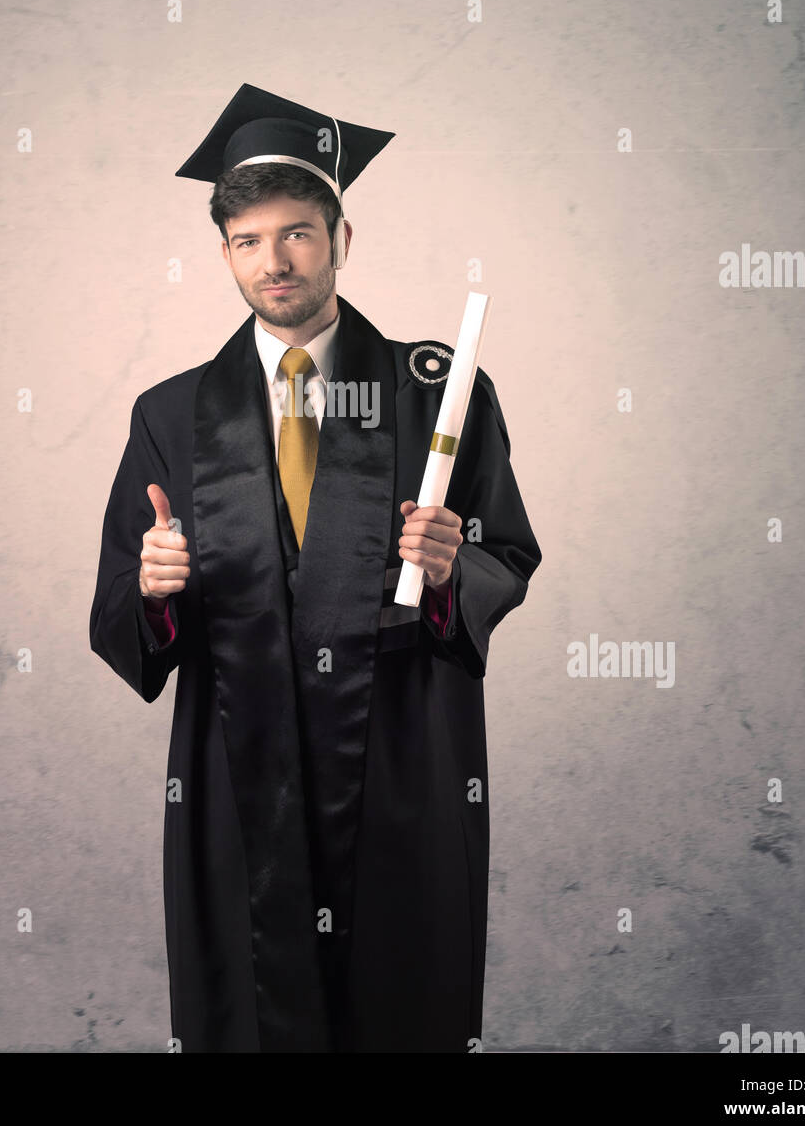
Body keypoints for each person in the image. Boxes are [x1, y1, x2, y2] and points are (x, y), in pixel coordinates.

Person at [89, 83, 542, 1052]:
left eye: (296, 233)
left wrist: (452, 563)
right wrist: (155, 591)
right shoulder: (169, 417)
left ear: (341, 234)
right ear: (222, 254)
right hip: (237, 769)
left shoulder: (438, 392)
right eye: (248, 241)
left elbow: (508, 552)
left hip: (398, 762)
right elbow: (119, 619)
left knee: (400, 1004)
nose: (274, 261)